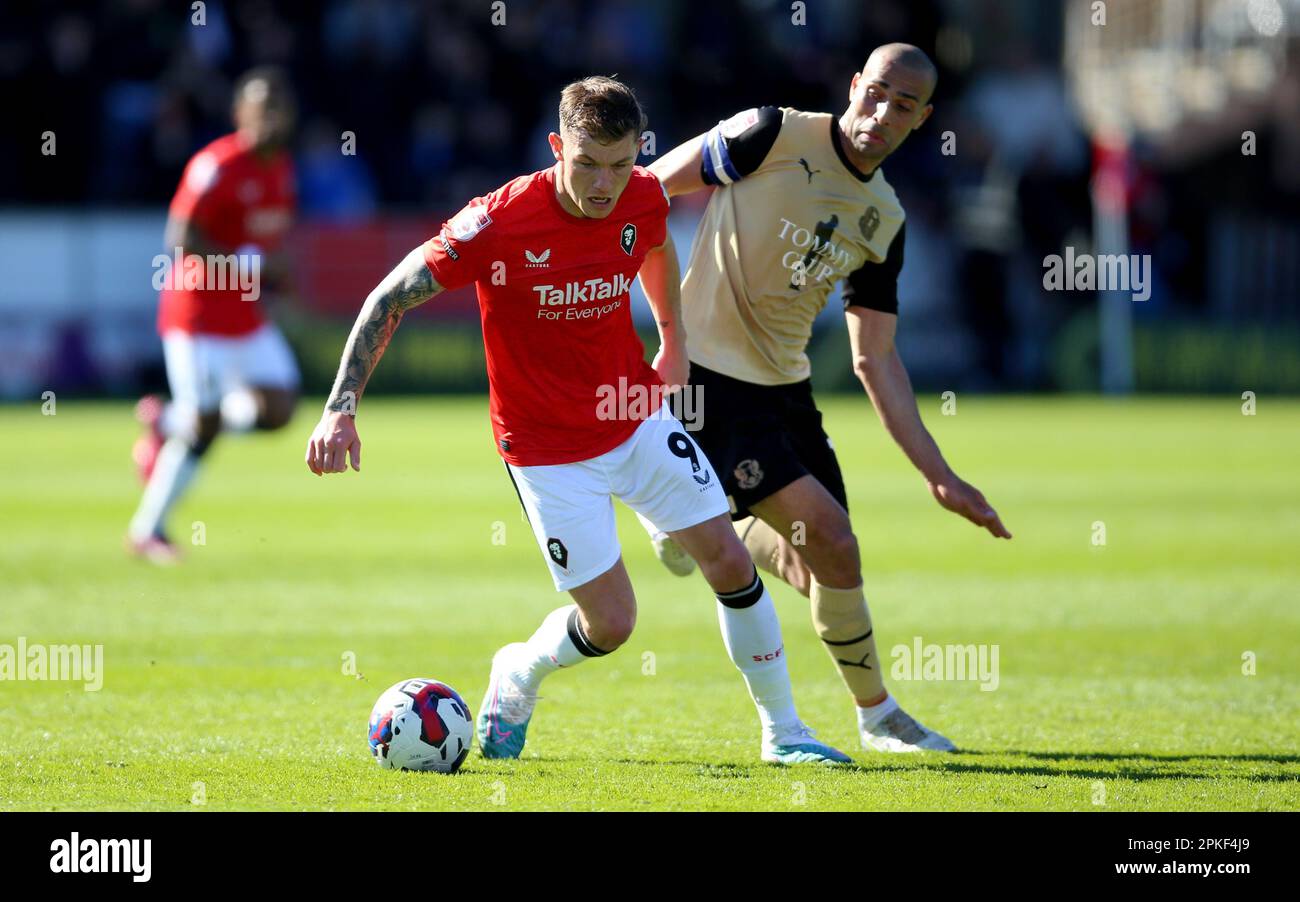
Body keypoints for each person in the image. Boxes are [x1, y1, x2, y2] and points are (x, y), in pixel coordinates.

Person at [305, 76, 849, 766]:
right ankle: (520, 672)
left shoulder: (643, 194)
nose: (605, 184)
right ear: (558, 146)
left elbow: (653, 244)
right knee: (614, 624)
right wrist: (339, 409)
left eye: (621, 164)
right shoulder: (496, 223)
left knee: (730, 559)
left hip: (633, 415)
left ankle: (785, 733)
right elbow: (388, 298)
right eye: (588, 163)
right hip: (545, 450)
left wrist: (673, 339)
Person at [641, 45, 1012, 752]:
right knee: (834, 536)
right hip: (707, 379)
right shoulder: (771, 132)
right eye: (874, 93)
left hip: (786, 391)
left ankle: (691, 518)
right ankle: (880, 717)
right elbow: (649, 192)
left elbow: (874, 358)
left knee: (827, 567)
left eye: (903, 105)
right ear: (854, 86)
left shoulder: (884, 219)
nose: (881, 113)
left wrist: (939, 475)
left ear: (922, 117)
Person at [128, 67, 300, 563]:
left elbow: (266, 244)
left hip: (244, 315)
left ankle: (168, 422)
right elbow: (179, 239)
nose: (269, 119)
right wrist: (243, 261)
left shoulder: (282, 168)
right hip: (197, 313)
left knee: (279, 408)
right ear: (240, 113)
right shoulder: (217, 164)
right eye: (260, 108)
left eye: (277, 109)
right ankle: (148, 530)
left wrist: (274, 279)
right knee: (202, 431)